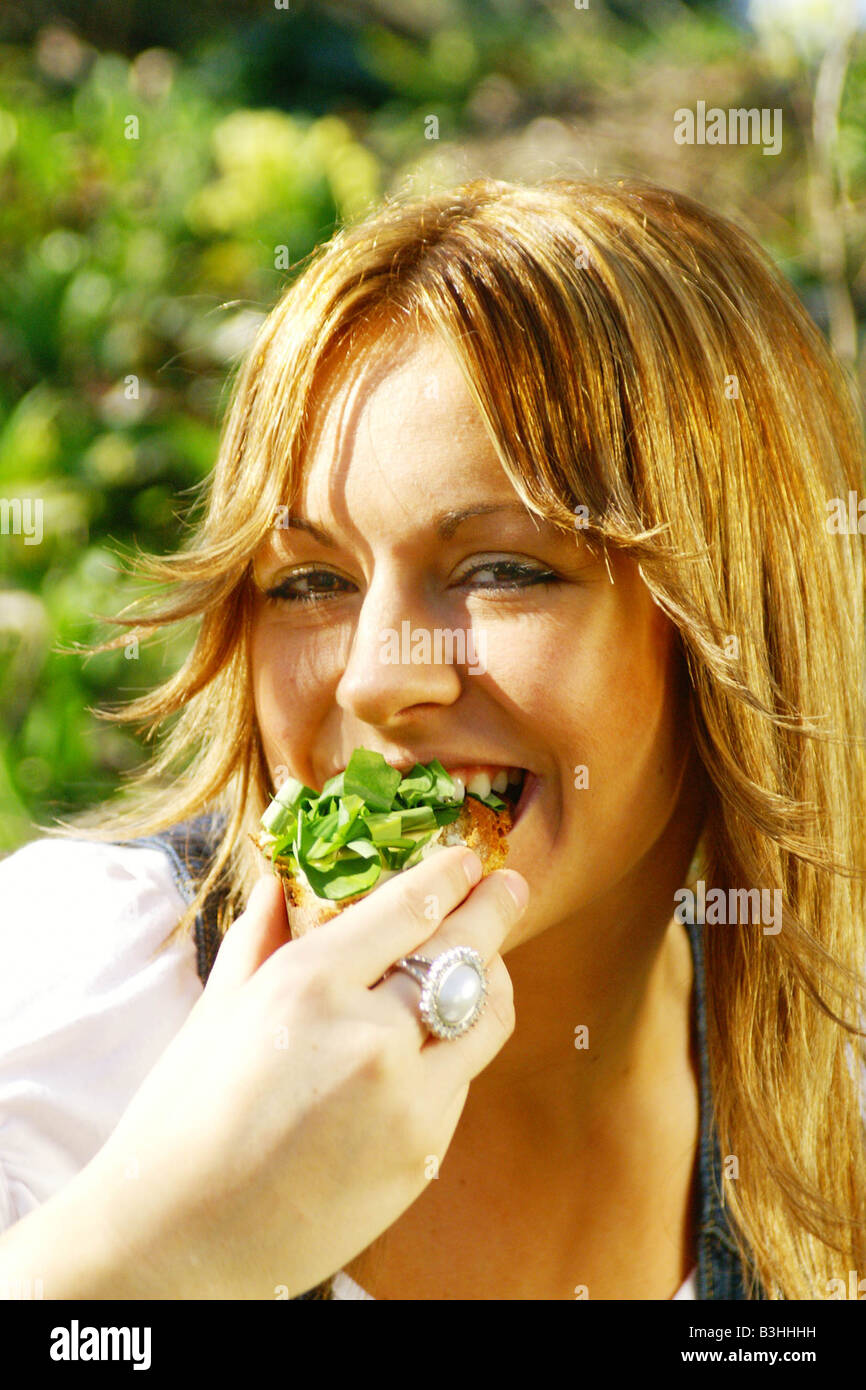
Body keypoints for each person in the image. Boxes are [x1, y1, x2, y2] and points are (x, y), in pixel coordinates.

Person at [1, 176, 864, 1301]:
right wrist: (159, 1252)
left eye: (502, 570)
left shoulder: (829, 1086)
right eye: (308, 581)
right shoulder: (76, 989)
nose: (373, 676)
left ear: (733, 623)